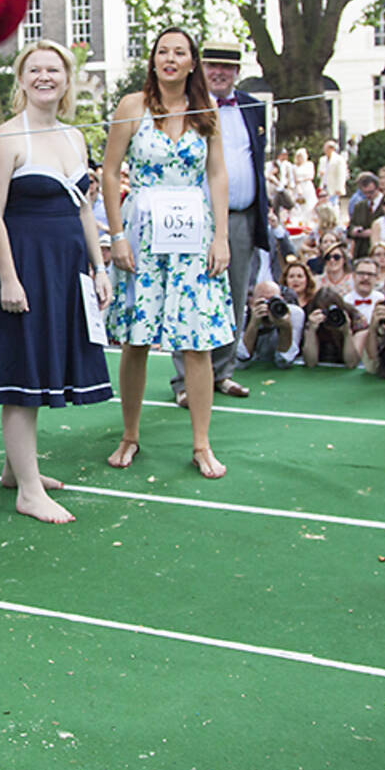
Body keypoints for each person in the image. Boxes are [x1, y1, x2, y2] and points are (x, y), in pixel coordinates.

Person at [0, 39, 112, 525]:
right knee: (22, 376)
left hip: (65, 270)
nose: (45, 77)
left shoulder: (75, 137)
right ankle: (28, 489)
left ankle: (15, 468)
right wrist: (8, 277)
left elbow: (84, 207)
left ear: (67, 80)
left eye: (54, 69)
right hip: (22, 267)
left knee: (42, 367)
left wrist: (99, 266)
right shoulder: (6, 137)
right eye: (35, 69)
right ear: (21, 79)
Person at [102, 27, 234, 479]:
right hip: (142, 230)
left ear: (192, 62)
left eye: (180, 52)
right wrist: (117, 235)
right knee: (137, 338)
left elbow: (217, 174)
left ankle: (201, 443)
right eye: (163, 52)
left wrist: (221, 237)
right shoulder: (131, 107)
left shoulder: (205, 109)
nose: (170, 59)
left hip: (193, 233)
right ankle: (130, 436)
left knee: (195, 341)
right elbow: (110, 170)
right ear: (153, 60)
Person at [164, 39, 265, 407]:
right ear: (200, 69)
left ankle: (223, 373)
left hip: (241, 217)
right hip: (193, 219)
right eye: (213, 66)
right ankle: (184, 381)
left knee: (235, 295)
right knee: (187, 295)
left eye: (228, 67)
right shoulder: (185, 107)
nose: (220, 73)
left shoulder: (254, 109)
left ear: (238, 71)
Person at [234, 279, 302, 370]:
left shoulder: (294, 313)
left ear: (282, 299)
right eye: (263, 301)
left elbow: (285, 361)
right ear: (252, 302)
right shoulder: (242, 314)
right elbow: (241, 360)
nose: (269, 305)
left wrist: (285, 326)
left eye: (273, 300)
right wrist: (254, 324)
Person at [317, 138, 348, 211]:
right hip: (324, 185)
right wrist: (320, 173)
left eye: (326, 148)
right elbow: (319, 172)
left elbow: (341, 175)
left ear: (331, 149)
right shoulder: (322, 159)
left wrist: (339, 188)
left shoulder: (339, 159)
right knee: (323, 205)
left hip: (333, 186)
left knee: (333, 205)